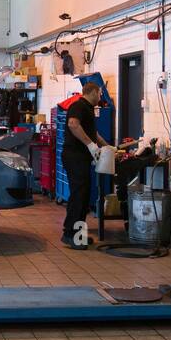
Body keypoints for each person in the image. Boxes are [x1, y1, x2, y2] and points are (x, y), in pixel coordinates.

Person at [61, 80, 111, 249]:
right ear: (93, 92)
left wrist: (107, 147)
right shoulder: (78, 106)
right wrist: (90, 145)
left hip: (81, 159)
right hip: (74, 157)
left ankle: (79, 236)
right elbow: (73, 124)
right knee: (78, 195)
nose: (100, 97)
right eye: (99, 93)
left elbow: (93, 133)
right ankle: (70, 234)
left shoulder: (88, 109)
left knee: (84, 196)